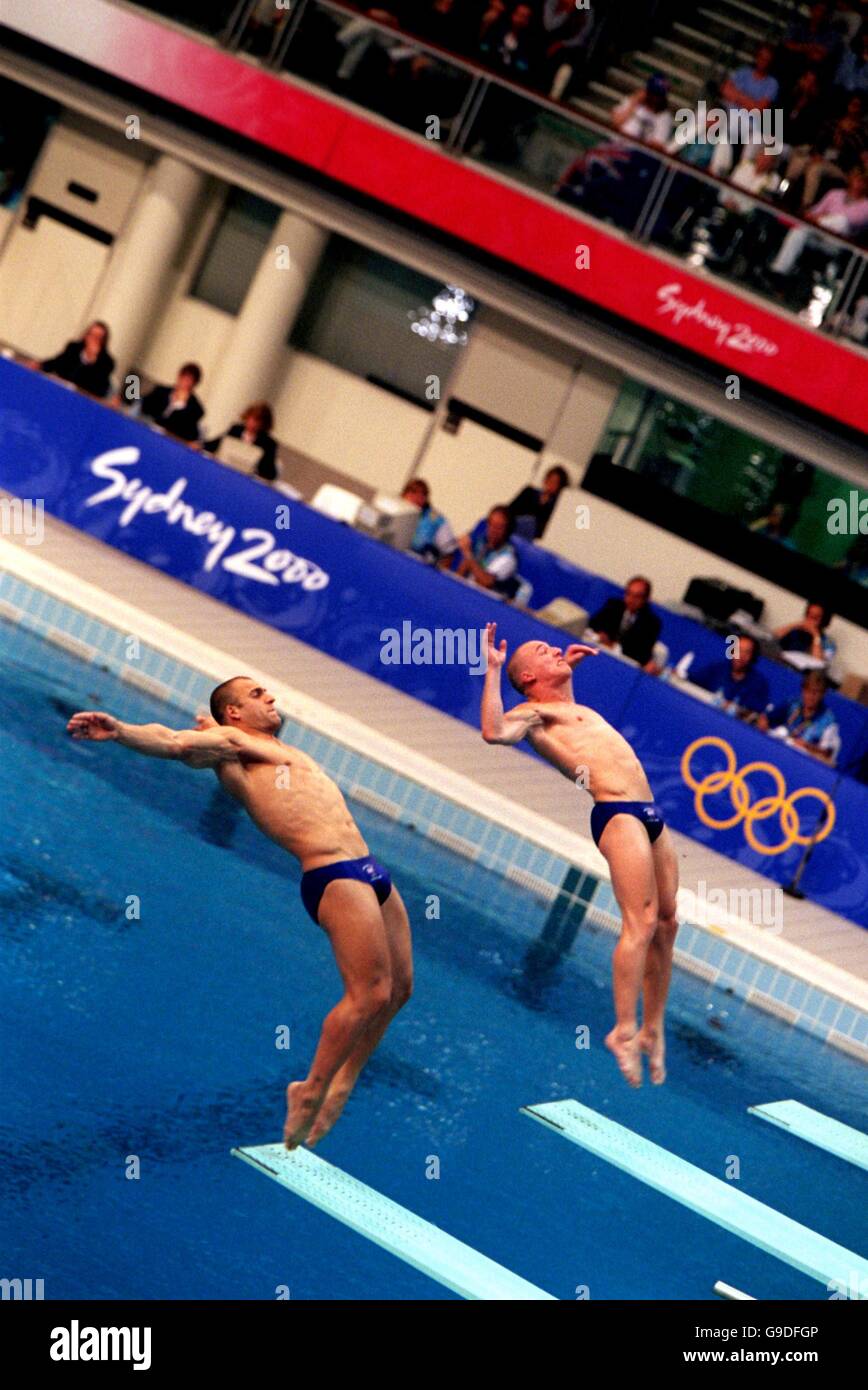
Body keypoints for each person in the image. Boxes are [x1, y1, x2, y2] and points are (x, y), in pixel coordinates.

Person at [66, 678, 413, 1149]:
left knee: (399, 991)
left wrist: (211, 729)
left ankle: (346, 1079)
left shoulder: (264, 748)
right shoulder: (233, 744)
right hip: (335, 876)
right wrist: (121, 730)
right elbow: (173, 741)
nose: (270, 697)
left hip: (369, 867)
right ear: (234, 713)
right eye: (257, 695)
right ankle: (309, 1088)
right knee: (368, 994)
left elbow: (204, 742)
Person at [480, 624, 679, 1087]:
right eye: (543, 653)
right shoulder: (533, 713)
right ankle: (622, 1030)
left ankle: (653, 1028)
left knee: (667, 924)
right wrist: (492, 670)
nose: (554, 650)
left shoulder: (572, 709)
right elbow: (494, 731)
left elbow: (579, 727)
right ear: (527, 678)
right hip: (617, 814)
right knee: (641, 922)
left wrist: (568, 667)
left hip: (650, 814)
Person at [758, 670, 842, 764]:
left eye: (816, 693)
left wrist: (807, 746)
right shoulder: (793, 704)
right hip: (777, 751)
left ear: (823, 695)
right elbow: (766, 717)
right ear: (802, 690)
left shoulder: (829, 721)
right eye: (808, 691)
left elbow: (826, 753)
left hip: (802, 762)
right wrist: (763, 721)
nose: (810, 696)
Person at [588, 576, 662, 672]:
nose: (631, 599)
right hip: (600, 653)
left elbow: (642, 654)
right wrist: (601, 634)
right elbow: (593, 623)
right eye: (629, 594)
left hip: (624, 667)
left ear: (646, 599)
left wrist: (614, 646)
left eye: (637, 596)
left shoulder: (652, 623)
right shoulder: (613, 605)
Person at [690, 635, 770, 718]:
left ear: (753, 657)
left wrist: (736, 709)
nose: (740, 655)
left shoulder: (759, 683)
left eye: (746, 652)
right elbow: (692, 683)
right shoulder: (717, 668)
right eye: (738, 650)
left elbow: (757, 714)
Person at [37, 320, 115, 399]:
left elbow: (99, 388)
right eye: (90, 335)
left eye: (97, 337)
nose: (92, 339)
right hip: (61, 391)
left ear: (103, 341)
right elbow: (56, 363)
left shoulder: (107, 362)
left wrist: (91, 359)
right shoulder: (74, 348)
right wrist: (39, 365)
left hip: (82, 399)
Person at [204, 400, 279, 481]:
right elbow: (214, 444)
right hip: (224, 472)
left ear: (264, 424)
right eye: (251, 418)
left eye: (258, 421)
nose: (253, 424)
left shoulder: (268, 443)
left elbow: (270, 473)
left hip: (246, 480)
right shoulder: (235, 430)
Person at [454, 504, 519, 594]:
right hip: (465, 592)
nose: (493, 530)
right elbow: (460, 573)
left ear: (508, 531)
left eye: (498, 527)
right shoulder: (481, 542)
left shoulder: (508, 557)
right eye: (491, 524)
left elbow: (485, 583)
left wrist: (468, 554)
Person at [140, 362, 205, 443]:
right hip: (147, 429)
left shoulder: (195, 409)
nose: (184, 381)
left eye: (189, 380)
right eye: (183, 377)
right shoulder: (161, 391)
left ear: (194, 383)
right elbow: (143, 406)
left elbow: (188, 433)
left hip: (169, 440)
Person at [402, 477, 456, 562]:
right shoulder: (391, 508)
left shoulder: (436, 520)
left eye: (423, 494)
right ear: (404, 494)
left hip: (416, 563)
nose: (417, 497)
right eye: (413, 492)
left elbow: (448, 552)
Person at [508, 465, 569, 539]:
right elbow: (510, 509)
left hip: (530, 536)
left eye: (555, 482)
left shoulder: (555, 508)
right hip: (513, 525)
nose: (550, 483)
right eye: (549, 479)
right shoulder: (529, 492)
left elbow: (544, 529)